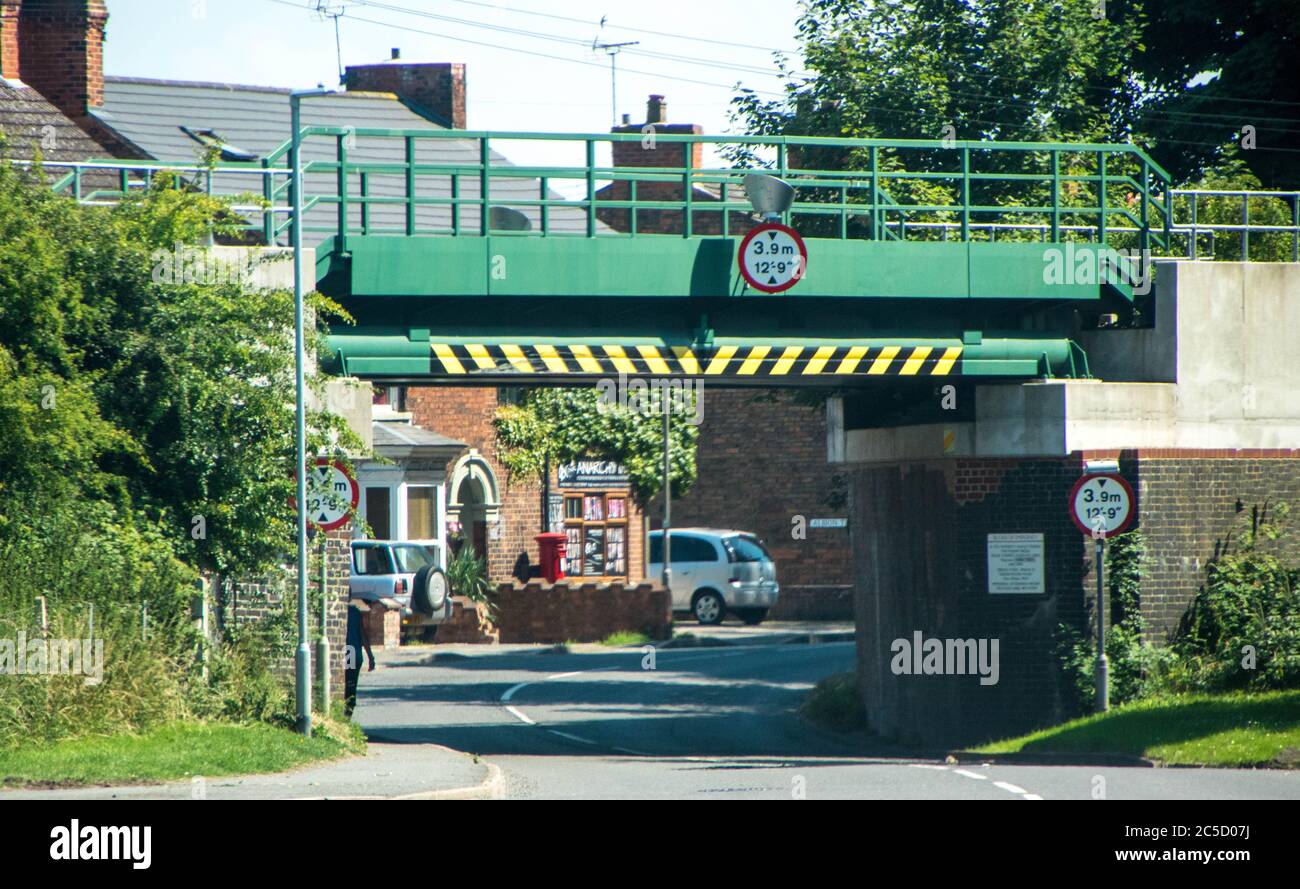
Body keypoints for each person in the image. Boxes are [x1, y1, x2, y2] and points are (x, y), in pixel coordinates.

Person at [344, 600, 376, 718]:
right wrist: (370, 656)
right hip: (353, 651)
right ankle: (348, 712)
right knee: (351, 685)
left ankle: (345, 713)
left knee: (346, 684)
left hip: (348, 651)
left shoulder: (335, 610)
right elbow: (363, 634)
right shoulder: (355, 611)